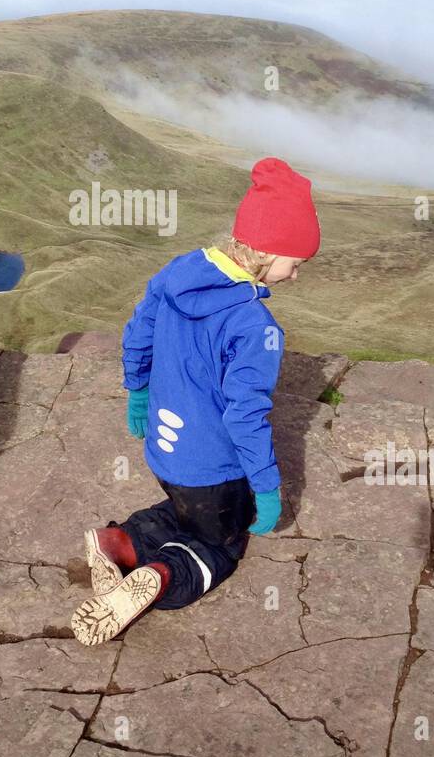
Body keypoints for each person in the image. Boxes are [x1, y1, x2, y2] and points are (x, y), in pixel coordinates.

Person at [71, 157, 321, 646]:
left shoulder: (178, 272)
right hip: (210, 465)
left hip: (163, 453)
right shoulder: (255, 327)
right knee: (222, 539)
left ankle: (118, 542)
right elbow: (246, 414)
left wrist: (137, 391)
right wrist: (268, 488)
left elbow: (138, 332)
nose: (295, 276)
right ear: (269, 251)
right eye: (296, 262)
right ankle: (163, 575)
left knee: (184, 507)